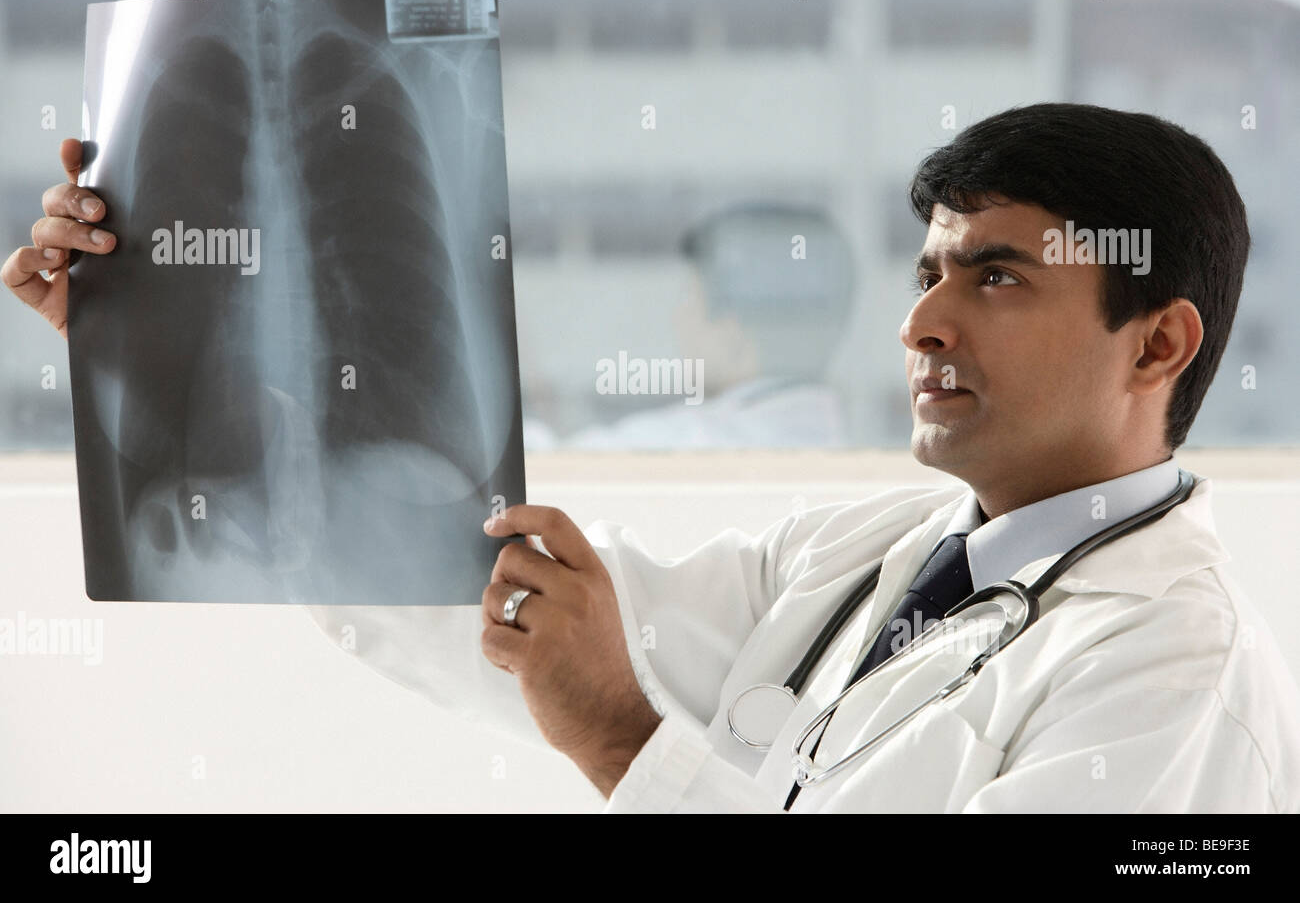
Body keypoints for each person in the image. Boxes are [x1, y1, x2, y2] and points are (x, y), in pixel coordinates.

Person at [10, 105, 1299, 812]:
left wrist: (628, 743)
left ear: (1158, 342)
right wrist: (166, 352)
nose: (919, 323)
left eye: (997, 274)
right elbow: (510, 601)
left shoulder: (1175, 673)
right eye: (925, 272)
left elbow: (611, 696)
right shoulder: (857, 558)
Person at [524, 203, 856, 449]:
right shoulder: (849, 448)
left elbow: (548, 466)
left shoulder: (688, 447)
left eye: (689, 298)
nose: (677, 319)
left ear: (734, 340)